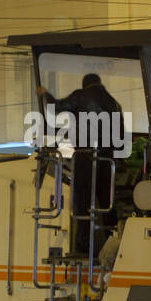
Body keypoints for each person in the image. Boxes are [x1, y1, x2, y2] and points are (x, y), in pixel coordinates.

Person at [37, 73, 123, 255]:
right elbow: (121, 138)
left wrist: (45, 94)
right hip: (108, 160)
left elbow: (57, 107)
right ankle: (112, 246)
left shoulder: (81, 96)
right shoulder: (114, 103)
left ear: (85, 85)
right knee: (106, 203)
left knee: (82, 201)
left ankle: (83, 247)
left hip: (86, 155)